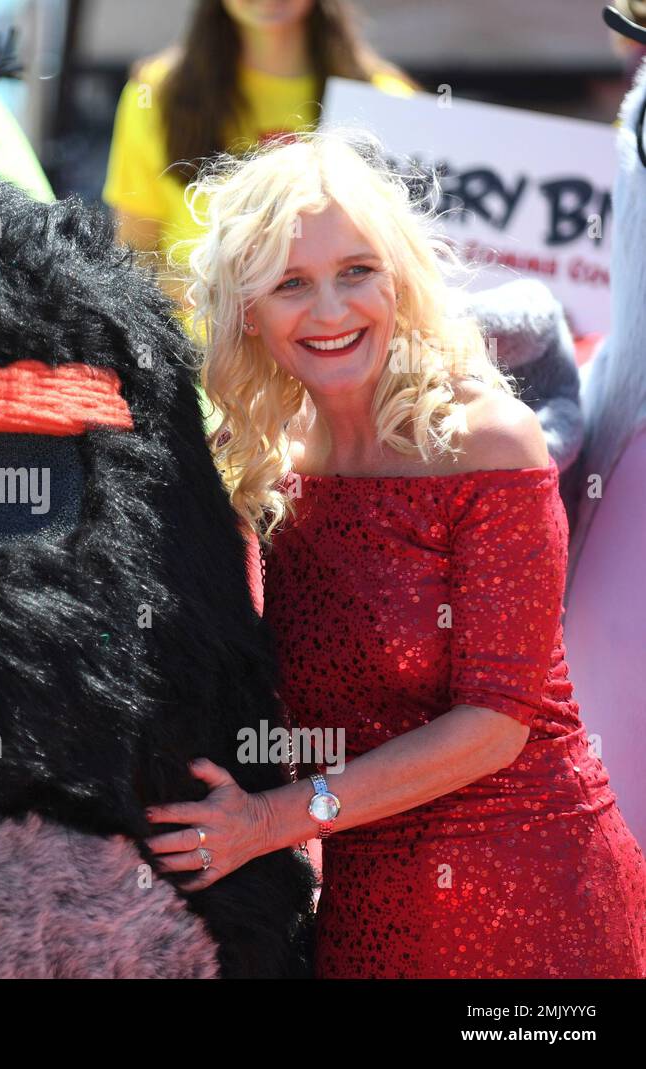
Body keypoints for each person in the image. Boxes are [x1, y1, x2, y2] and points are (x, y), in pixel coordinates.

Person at [143, 130, 646, 978]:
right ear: (248, 312)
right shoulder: (260, 461)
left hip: (537, 906)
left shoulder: (488, 438)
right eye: (292, 283)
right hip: (364, 916)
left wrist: (270, 821)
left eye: (356, 272)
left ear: (400, 278)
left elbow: (493, 726)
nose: (332, 310)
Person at [102, 0, 414, 304]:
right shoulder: (156, 92)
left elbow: (418, 267)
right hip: (198, 351)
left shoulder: (389, 99)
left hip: (338, 344)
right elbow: (136, 256)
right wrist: (226, 295)